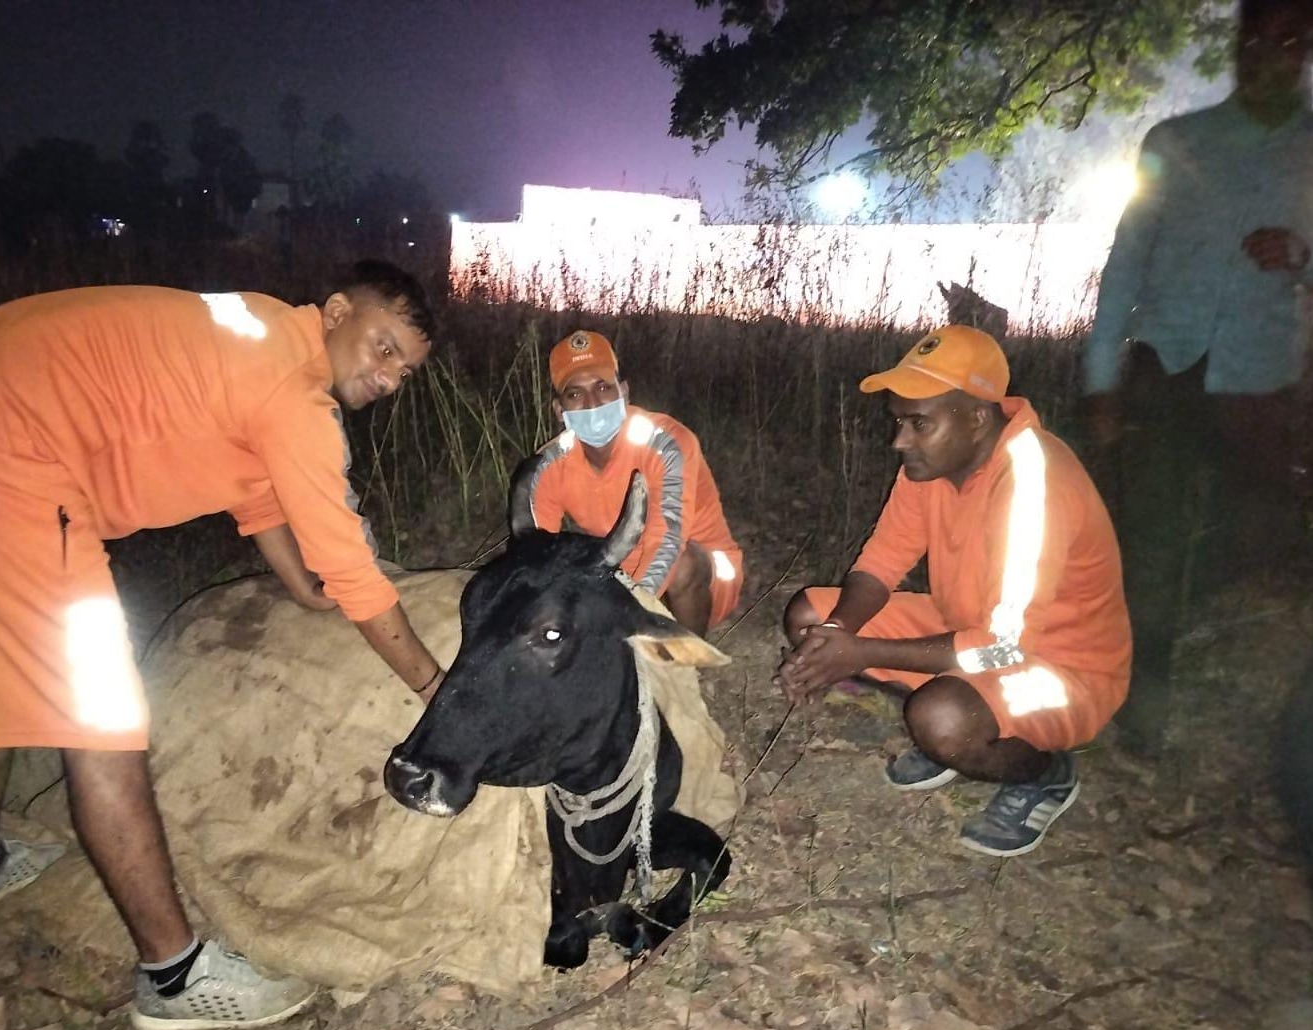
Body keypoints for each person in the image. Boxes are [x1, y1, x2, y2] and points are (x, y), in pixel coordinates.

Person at [0, 259, 446, 1030]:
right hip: (0, 449)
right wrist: (434, 688)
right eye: (384, 347)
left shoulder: (260, 329)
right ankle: (174, 975)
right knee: (102, 711)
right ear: (338, 311)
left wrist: (298, 585)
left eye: (405, 370)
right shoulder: (293, 395)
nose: (390, 377)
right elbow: (354, 571)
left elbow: (256, 487)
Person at [779, 325, 1131, 858]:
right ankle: (961, 720)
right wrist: (835, 635)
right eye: (899, 421)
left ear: (977, 418)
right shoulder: (931, 465)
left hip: (1064, 669)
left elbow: (1005, 647)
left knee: (941, 719)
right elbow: (882, 561)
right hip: (968, 626)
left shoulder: (1033, 482)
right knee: (809, 618)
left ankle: (1043, 772)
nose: (900, 441)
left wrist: (861, 653)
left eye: (919, 423)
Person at [1081, 0, 1313, 758]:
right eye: (1255, 37)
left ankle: (1162, 604)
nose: (1266, 53)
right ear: (1238, 43)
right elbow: (1126, 262)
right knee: (1151, 541)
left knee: (1264, 531)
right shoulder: (1176, 141)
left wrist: (1303, 255)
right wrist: (1102, 377)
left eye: (1287, 40)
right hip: (1165, 368)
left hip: (1261, 380)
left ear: (1305, 50)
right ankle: (1141, 709)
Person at [519, 329, 744, 636]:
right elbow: (538, 554)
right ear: (560, 410)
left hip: (704, 580)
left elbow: (666, 545)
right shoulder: (549, 465)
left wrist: (615, 613)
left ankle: (689, 658)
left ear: (623, 393)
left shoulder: (665, 443)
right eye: (575, 394)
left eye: (603, 387)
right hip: (620, 571)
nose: (592, 403)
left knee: (683, 564)